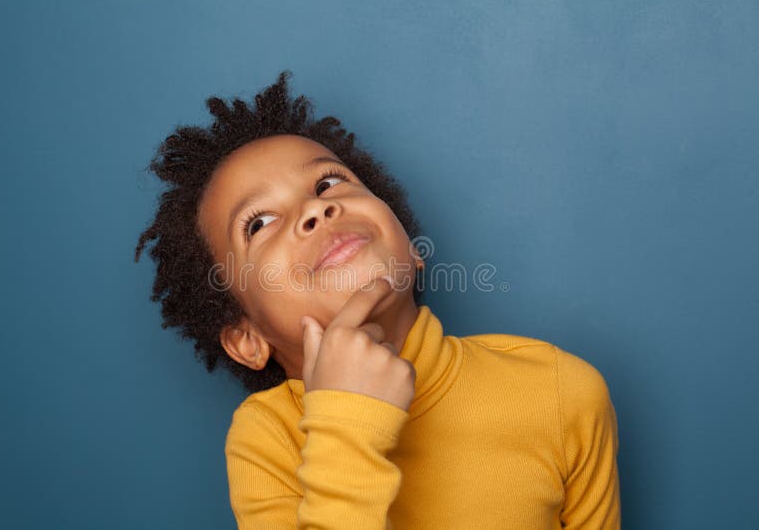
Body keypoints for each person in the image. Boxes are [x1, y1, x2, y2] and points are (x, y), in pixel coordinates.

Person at [134, 70, 621, 529]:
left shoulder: (561, 392)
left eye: (327, 183)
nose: (315, 209)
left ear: (410, 246)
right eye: (258, 224)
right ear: (246, 338)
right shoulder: (268, 440)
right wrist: (348, 423)